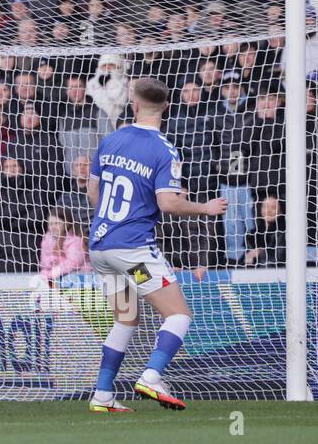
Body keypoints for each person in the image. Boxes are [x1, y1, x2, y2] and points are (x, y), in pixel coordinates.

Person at [84, 77, 228, 413]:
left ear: (133, 104)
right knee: (178, 314)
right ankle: (151, 376)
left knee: (126, 319)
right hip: (132, 251)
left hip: (101, 247)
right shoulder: (164, 149)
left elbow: (94, 193)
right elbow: (168, 204)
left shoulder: (110, 140)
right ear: (166, 106)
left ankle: (103, 395)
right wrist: (205, 208)